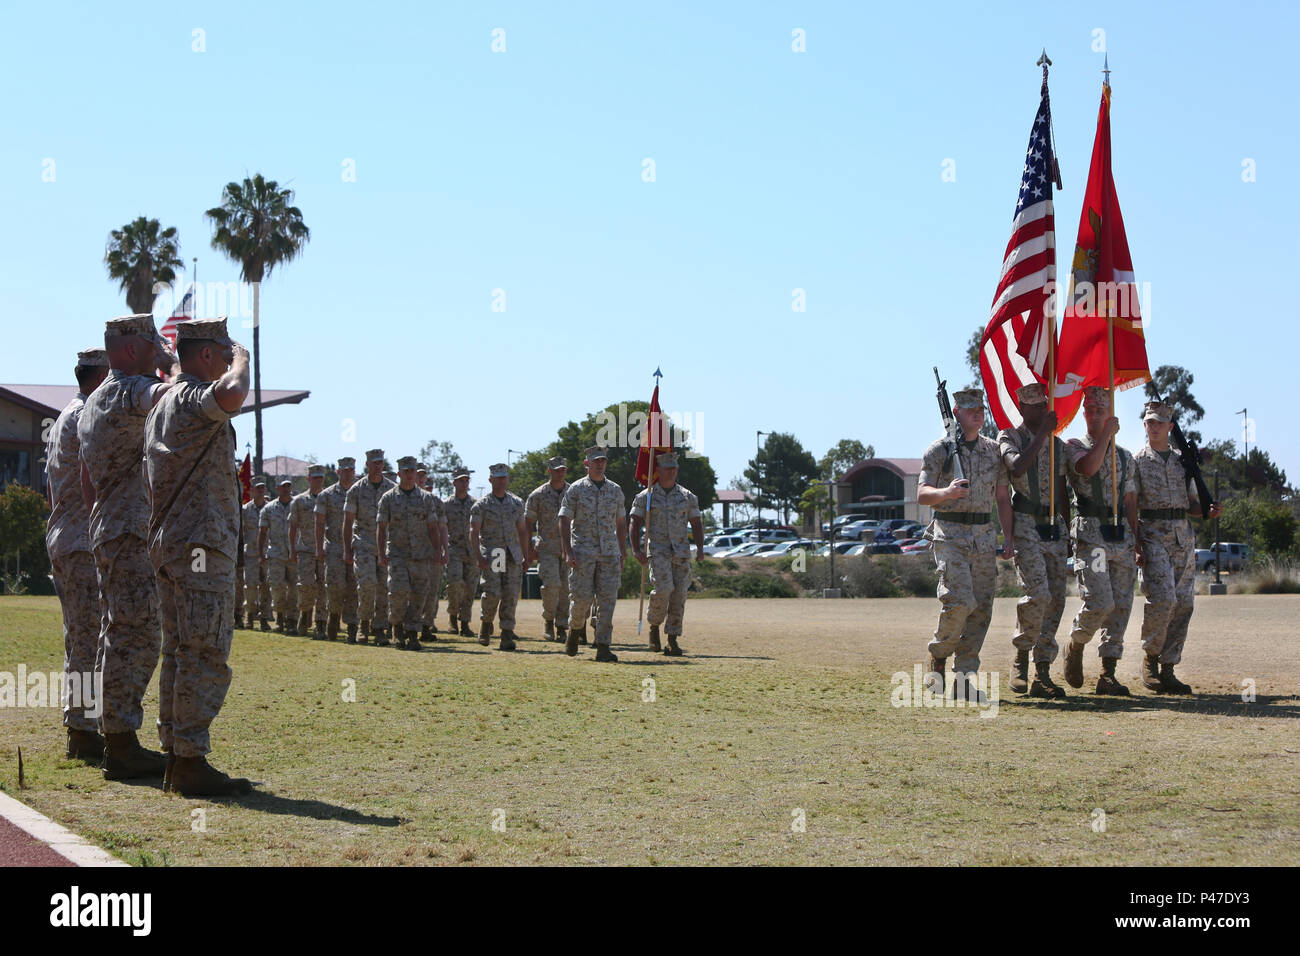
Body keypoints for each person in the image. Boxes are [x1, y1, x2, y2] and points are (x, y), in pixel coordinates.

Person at [143, 317, 252, 796]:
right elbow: (232, 395)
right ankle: (188, 760)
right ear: (205, 355)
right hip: (200, 546)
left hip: (175, 543)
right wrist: (246, 359)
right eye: (224, 352)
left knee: (181, 651)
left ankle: (176, 753)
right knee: (205, 652)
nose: (231, 358)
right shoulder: (189, 398)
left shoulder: (163, 402)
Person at [77, 314, 174, 780]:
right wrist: (177, 368)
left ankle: (112, 735)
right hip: (129, 531)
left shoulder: (95, 398)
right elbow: (174, 399)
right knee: (136, 634)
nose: (160, 348)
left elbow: (84, 480)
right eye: (154, 342)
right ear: (133, 349)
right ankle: (120, 742)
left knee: (118, 631)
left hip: (112, 527)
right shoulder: (128, 389)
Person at [916, 387, 1015, 701]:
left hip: (984, 537)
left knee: (981, 610)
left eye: (980, 407)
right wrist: (946, 493)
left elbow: (1002, 496)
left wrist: (1008, 538)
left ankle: (964, 678)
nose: (977, 412)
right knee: (959, 601)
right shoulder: (940, 450)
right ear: (955, 412)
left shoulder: (992, 451)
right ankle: (939, 654)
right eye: (970, 407)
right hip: (950, 534)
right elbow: (921, 494)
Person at [45, 347, 109, 761]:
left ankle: (82, 723)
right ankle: (83, 729)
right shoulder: (86, 415)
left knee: (80, 637)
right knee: (88, 637)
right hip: (82, 541)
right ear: (99, 376)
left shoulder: (65, 415)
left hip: (67, 537)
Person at [1134, 401, 1221, 694]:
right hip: (1152, 535)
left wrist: (1208, 511)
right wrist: (1135, 543)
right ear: (1144, 425)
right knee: (1163, 599)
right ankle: (1151, 659)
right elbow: (1130, 505)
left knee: (1184, 603)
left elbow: (1192, 504)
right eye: (1149, 422)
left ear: (1170, 427)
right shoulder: (1137, 461)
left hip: (1182, 537)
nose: (1154, 426)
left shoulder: (1182, 462)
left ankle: (1168, 668)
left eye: (1160, 422)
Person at [1061, 387, 1138, 695]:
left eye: (1101, 411)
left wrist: (1138, 540)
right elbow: (1088, 467)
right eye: (1091, 410)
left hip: (1121, 535)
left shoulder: (1125, 456)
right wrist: (1106, 435)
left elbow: (1131, 499)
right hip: (1091, 535)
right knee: (1100, 601)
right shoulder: (1075, 446)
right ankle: (1076, 643)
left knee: (1121, 606)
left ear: (1111, 413)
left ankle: (1108, 673)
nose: (1095, 415)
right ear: (1084, 413)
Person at [997, 382, 1070, 698]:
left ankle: (1042, 671)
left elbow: (1063, 490)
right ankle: (1021, 658)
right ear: (1022, 408)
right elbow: (1015, 467)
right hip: (1026, 524)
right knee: (1037, 593)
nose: (1042, 410)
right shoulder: (1009, 437)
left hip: (1054, 527)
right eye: (1036, 406)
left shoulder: (1059, 446)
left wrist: (1069, 531)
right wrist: (1042, 436)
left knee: (1056, 599)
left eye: (1044, 405)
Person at [630, 452, 705, 655]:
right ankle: (654, 628)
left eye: (674, 468)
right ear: (658, 471)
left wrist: (700, 548)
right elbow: (634, 523)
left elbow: (696, 523)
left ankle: (672, 638)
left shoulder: (687, 497)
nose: (672, 471)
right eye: (667, 468)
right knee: (663, 589)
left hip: (681, 552)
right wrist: (636, 549)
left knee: (679, 595)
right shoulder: (646, 496)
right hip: (659, 551)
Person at [560, 447, 628, 663]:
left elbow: (620, 521)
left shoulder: (615, 490)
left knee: (608, 600)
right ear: (587, 463)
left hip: (609, 554)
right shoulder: (577, 490)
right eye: (595, 461)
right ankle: (574, 630)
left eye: (603, 461)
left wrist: (622, 550)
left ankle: (603, 646)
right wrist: (567, 550)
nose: (600, 464)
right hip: (583, 553)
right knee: (582, 599)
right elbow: (563, 519)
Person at [377, 457, 443, 651]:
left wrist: (438, 551)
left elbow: (433, 528)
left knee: (418, 595)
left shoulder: (426, 499)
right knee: (398, 591)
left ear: (416, 473)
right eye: (405, 471)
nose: (409, 474)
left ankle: (413, 633)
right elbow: (381, 528)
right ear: (399, 474)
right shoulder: (388, 498)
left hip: (421, 555)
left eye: (412, 471)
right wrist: (381, 553)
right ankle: (397, 627)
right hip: (397, 554)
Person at [469, 463, 530, 650]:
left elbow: (523, 531)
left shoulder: (517, 503)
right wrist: (479, 556)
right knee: (493, 593)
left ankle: (506, 633)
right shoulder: (482, 505)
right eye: (498, 477)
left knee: (511, 595)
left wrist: (526, 555)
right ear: (491, 480)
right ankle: (486, 624)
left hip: (512, 554)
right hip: (494, 554)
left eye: (505, 477)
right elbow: (474, 531)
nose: (502, 481)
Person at [344, 449, 395, 644]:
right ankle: (363, 625)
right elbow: (348, 522)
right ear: (367, 465)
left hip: (386, 547)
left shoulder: (391, 490)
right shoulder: (356, 490)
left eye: (380, 462)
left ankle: (380, 628)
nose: (378, 466)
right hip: (363, 544)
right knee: (366, 584)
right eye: (374, 462)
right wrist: (347, 549)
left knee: (383, 588)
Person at [525, 456, 571, 643]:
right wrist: (529, 548)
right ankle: (548, 622)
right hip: (547, 548)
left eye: (563, 469)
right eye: (556, 469)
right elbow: (528, 523)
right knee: (551, 586)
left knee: (566, 589)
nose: (560, 472)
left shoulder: (573, 492)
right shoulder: (538, 495)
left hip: (569, 549)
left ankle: (562, 627)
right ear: (549, 471)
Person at [316, 456, 359, 641]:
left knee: (354, 588)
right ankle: (333, 618)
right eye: (345, 470)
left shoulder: (360, 492)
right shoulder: (326, 495)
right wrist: (319, 548)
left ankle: (351, 626)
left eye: (351, 469)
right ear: (338, 472)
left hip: (357, 547)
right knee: (335, 586)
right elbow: (319, 523)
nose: (349, 473)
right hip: (334, 547)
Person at [290, 464, 328, 637]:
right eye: (315, 477)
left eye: (321, 477)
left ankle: (321, 623)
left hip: (326, 550)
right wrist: (292, 550)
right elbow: (293, 527)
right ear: (308, 479)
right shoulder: (299, 501)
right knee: (305, 585)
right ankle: (305, 615)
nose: (318, 480)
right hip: (305, 549)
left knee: (323, 587)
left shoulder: (329, 498)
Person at [259, 478, 298, 634]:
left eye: (288, 486)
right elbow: (262, 532)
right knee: (277, 587)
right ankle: (280, 618)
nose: (286, 489)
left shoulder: (298, 505)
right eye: (283, 487)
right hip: (276, 554)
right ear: (277, 488)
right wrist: (261, 553)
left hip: (295, 554)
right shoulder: (268, 509)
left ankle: (292, 621)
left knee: (295, 588)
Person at [415, 466, 449, 641]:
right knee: (410, 591)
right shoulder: (397, 498)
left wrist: (444, 550)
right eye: (418, 476)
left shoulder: (436, 501)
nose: (421, 480)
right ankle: (407, 626)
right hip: (411, 553)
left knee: (432, 590)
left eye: (423, 477)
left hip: (433, 552)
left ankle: (427, 626)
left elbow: (442, 528)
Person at [443, 468, 478, 637]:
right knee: (455, 583)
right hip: (454, 549)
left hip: (472, 551)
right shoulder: (446, 505)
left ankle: (465, 623)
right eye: (460, 480)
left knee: (470, 587)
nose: (464, 483)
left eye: (466, 480)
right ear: (454, 483)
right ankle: (452, 617)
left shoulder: (476, 504)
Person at [239, 477, 270, 630]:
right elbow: (240, 532)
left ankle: (264, 618)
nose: (260, 490)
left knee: (266, 587)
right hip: (251, 554)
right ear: (252, 490)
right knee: (250, 586)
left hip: (268, 554)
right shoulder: (245, 510)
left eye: (263, 488)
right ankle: (250, 616)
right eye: (258, 488)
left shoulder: (270, 508)